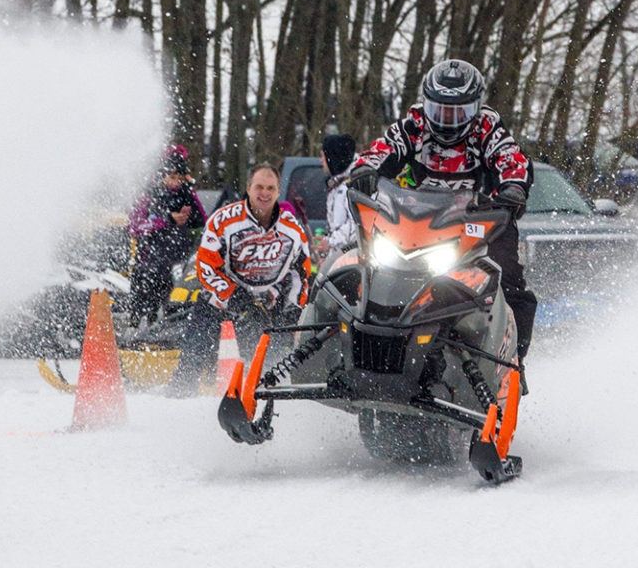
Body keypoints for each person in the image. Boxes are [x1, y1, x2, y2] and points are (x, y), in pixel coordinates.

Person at [352, 59, 537, 384]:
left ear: (474, 108)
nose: (447, 120)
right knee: (371, 265)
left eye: (457, 112)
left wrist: (513, 186)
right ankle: (356, 343)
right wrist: (366, 168)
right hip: (421, 223)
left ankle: (512, 366)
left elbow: (511, 158)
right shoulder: (415, 124)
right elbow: (385, 147)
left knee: (508, 280)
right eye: (440, 110)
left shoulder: (487, 128)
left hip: (481, 222)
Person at [167, 163, 311, 395]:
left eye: (270, 188)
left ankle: (260, 402)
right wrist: (231, 294)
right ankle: (179, 398)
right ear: (248, 188)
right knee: (191, 362)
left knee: (269, 366)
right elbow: (205, 264)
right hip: (219, 300)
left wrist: (293, 308)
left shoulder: (292, 229)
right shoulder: (223, 220)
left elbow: (301, 273)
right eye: (259, 187)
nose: (264, 193)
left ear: (277, 191)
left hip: (264, 304)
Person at [127, 150, 207, 328]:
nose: (176, 182)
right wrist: (167, 221)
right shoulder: (148, 195)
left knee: (173, 303)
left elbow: (203, 221)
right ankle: (137, 326)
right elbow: (134, 226)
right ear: (162, 175)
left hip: (178, 263)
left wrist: (191, 206)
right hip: (148, 262)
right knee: (143, 302)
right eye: (172, 176)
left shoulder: (186, 194)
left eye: (180, 178)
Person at [317, 134, 357, 255]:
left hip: (352, 259)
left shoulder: (353, 187)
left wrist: (331, 242)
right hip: (340, 258)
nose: (321, 161)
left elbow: (355, 225)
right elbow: (337, 225)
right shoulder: (337, 186)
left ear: (333, 158)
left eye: (323, 156)